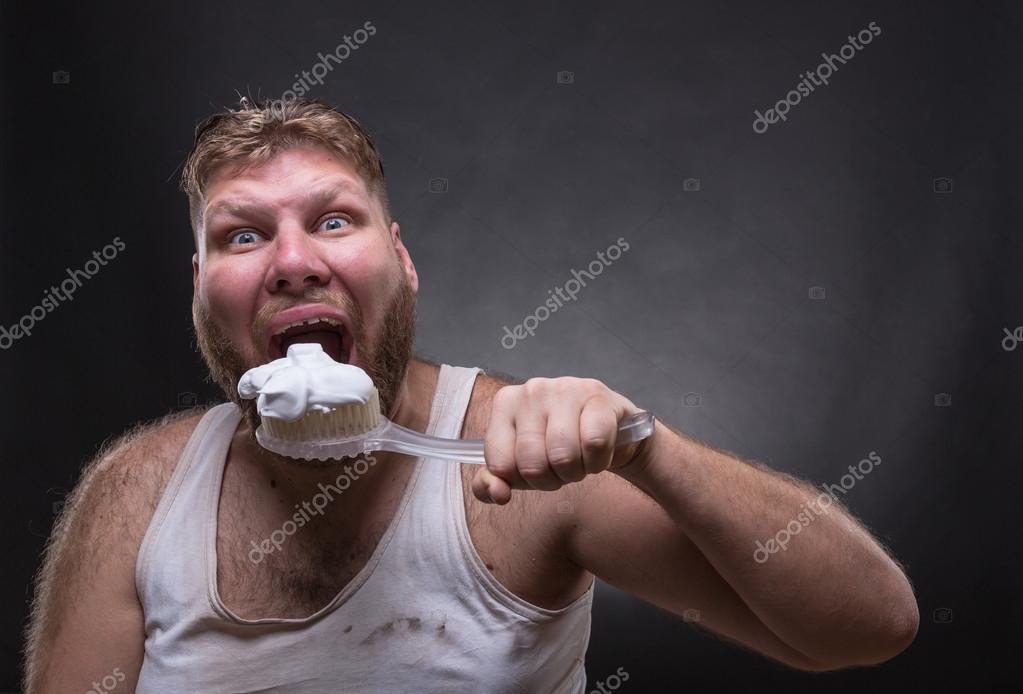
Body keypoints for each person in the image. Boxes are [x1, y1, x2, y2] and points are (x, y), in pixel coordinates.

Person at [22, 98, 919, 693]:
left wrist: (647, 447)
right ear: (199, 287)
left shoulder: (530, 463)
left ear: (402, 261)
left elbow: (865, 628)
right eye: (243, 236)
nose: (294, 263)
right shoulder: (135, 494)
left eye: (333, 220)